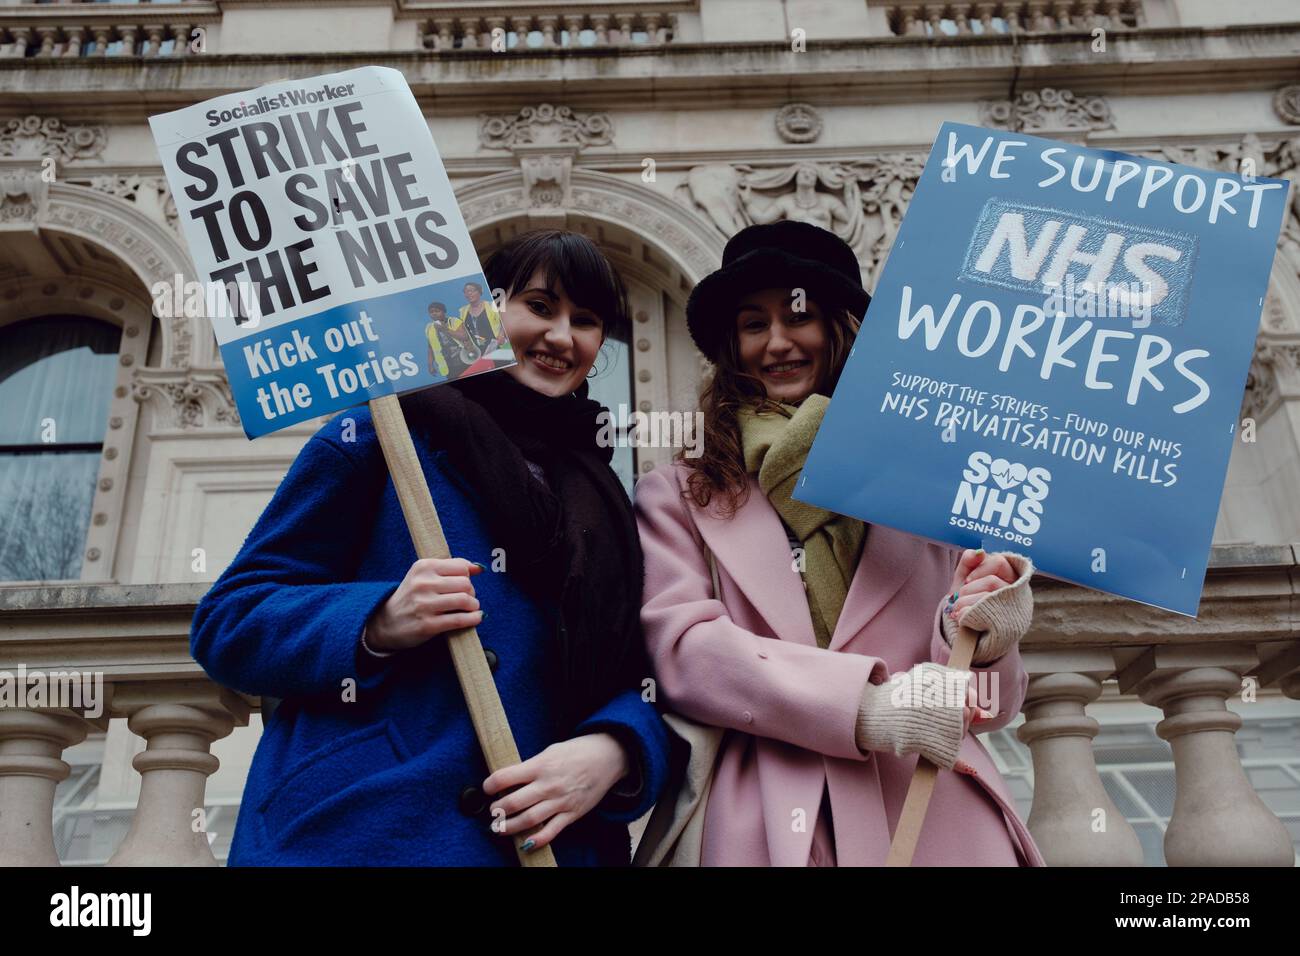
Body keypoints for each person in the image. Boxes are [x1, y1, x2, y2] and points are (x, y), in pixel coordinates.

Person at [192, 229, 668, 866]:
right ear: (485, 310)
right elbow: (231, 619)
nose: (562, 337)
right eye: (539, 306)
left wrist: (616, 750)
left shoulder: (606, 490)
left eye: (586, 322)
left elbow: (652, 674)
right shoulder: (379, 431)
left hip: (548, 848)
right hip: (364, 832)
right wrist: (377, 621)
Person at [632, 220, 1045, 866]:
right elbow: (685, 653)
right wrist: (865, 705)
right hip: (766, 818)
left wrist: (988, 637)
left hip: (934, 805)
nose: (777, 342)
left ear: (840, 329)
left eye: (799, 316)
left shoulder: (928, 480)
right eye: (752, 324)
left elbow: (988, 706)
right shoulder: (676, 494)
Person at [425, 300, 476, 379]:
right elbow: (430, 348)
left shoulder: (454, 321)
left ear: (444, 312)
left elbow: (465, 336)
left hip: (463, 359)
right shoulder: (429, 328)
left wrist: (445, 329)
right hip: (448, 365)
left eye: (437, 311)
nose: (434, 313)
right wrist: (430, 365)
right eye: (431, 312)